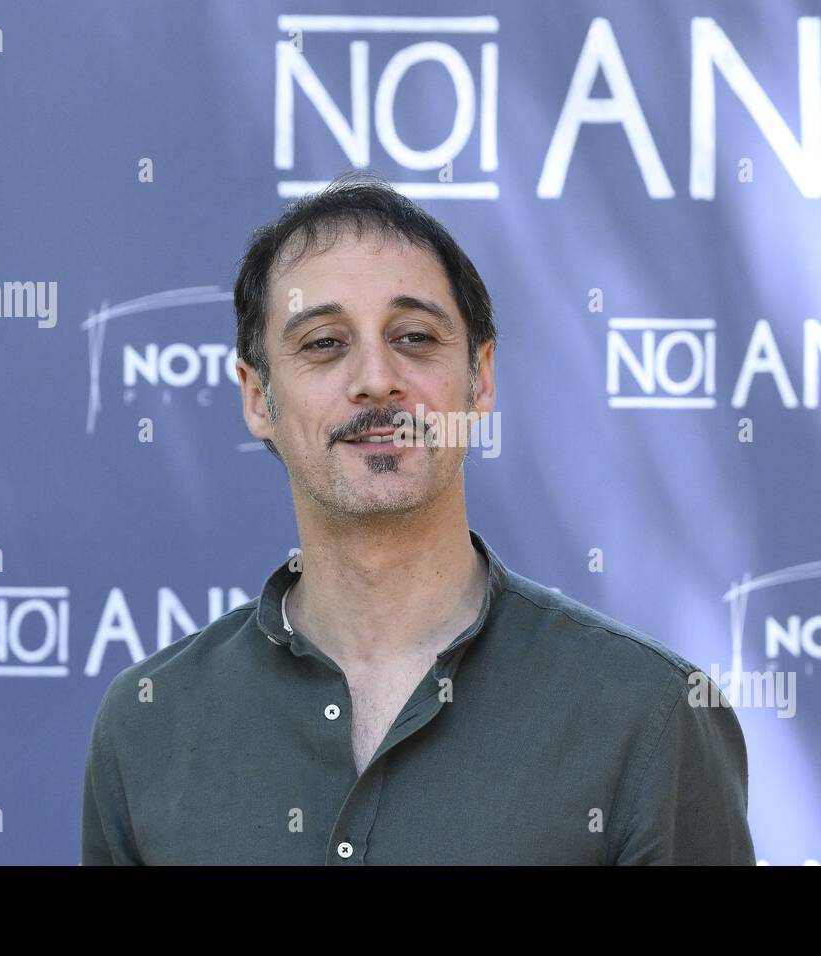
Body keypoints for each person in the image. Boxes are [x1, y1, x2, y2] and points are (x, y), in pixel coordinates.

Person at [81, 170, 755, 865]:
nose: (376, 378)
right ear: (257, 398)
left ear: (480, 379)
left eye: (414, 337)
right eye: (323, 343)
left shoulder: (646, 715)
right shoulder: (148, 725)